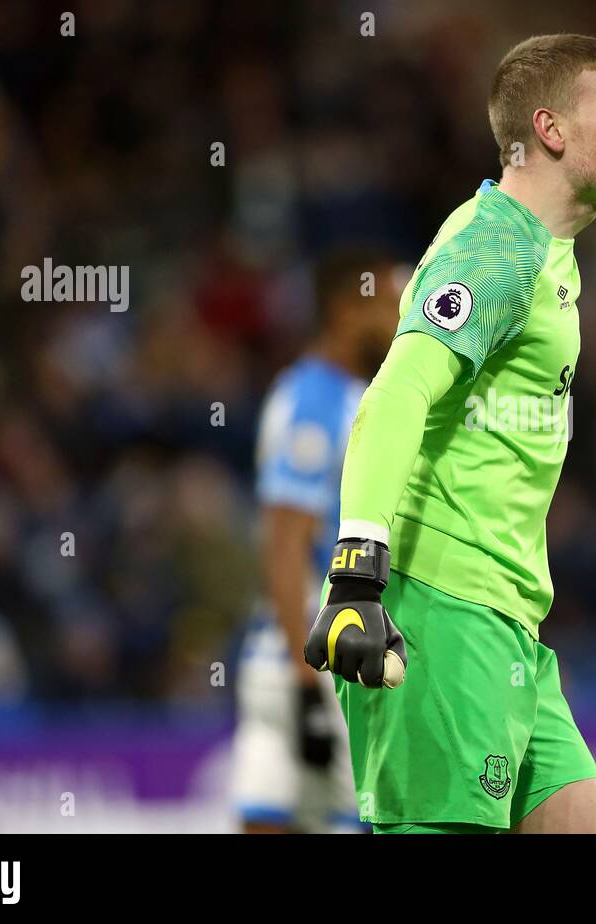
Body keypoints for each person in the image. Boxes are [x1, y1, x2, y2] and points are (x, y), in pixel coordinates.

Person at [303, 33, 596, 834]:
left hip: (508, 625)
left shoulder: (548, 253)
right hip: (442, 615)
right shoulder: (495, 248)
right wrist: (356, 579)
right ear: (553, 130)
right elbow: (395, 395)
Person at [230, 248, 401, 833]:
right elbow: (283, 542)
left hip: (313, 650)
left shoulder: (357, 392)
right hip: (315, 648)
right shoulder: (315, 400)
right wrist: (306, 686)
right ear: (344, 309)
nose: (398, 315)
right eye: (383, 300)